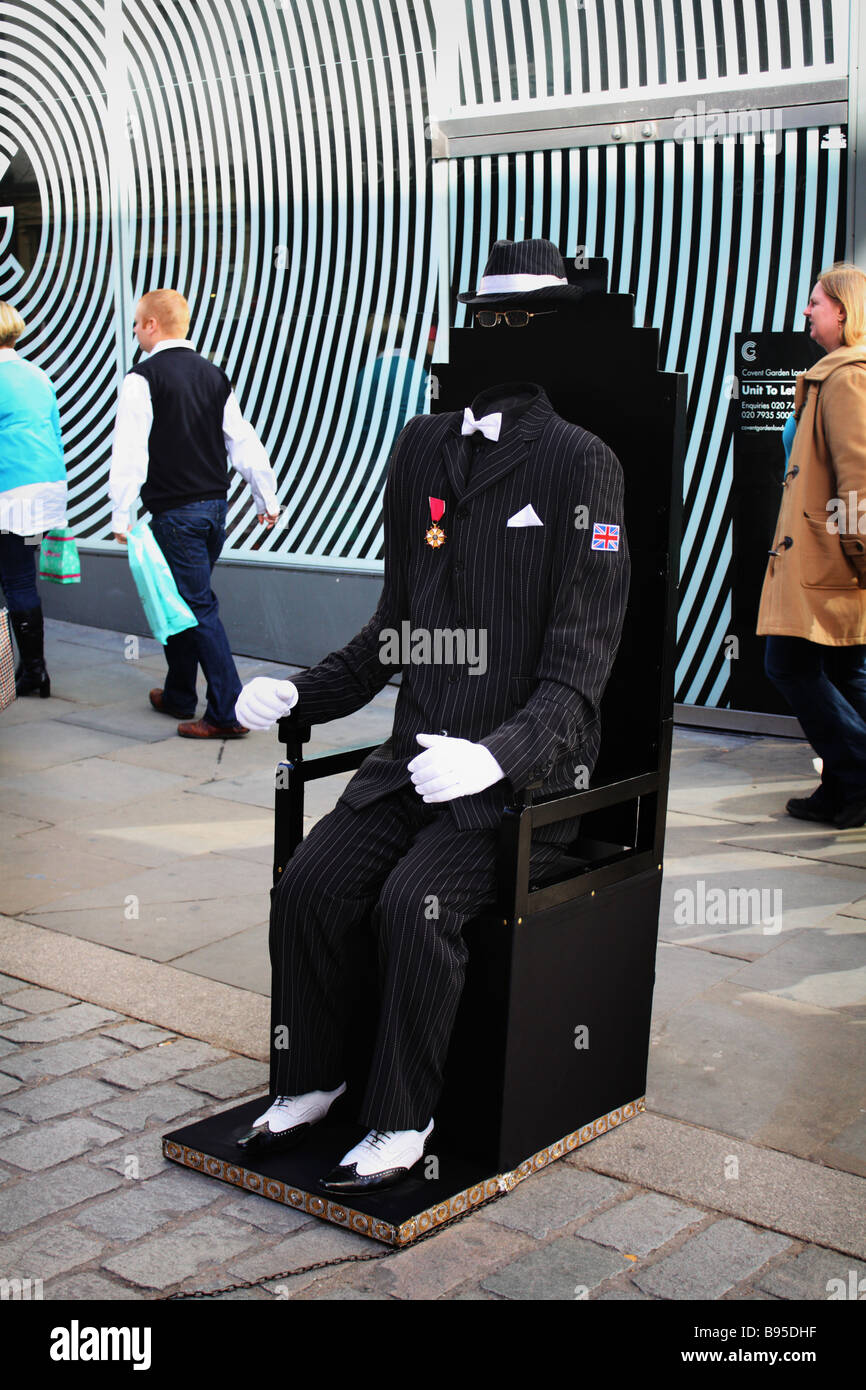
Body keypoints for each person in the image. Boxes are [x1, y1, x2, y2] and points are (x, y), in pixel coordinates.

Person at [232, 240, 630, 1192]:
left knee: (418, 907)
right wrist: (302, 690)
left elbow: (579, 675)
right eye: (486, 317)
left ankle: (404, 1121)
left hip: (518, 778)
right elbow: (396, 630)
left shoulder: (583, 465)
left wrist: (496, 758)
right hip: (412, 757)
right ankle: (313, 1078)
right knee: (312, 886)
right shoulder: (419, 448)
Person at [109, 289, 281, 738]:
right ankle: (180, 693)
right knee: (182, 599)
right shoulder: (214, 375)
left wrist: (120, 514)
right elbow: (242, 441)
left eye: (135, 323)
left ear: (151, 325)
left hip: (173, 515)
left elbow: (129, 450)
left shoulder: (141, 378)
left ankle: (227, 712)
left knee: (195, 605)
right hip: (212, 513)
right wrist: (266, 497)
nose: (133, 331)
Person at [757, 262, 866, 827]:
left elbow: (859, 478)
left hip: (832, 560)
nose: (806, 311)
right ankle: (848, 785)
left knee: (789, 664)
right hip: (825, 559)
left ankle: (855, 776)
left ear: (842, 311)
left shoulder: (847, 377)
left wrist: (860, 549)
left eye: (815, 302)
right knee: (846, 674)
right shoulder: (833, 373)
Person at [0, 300, 66, 697]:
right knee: (20, 573)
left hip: (9, 493)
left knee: (15, 577)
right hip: (41, 497)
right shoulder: (37, 375)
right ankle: (33, 671)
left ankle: (28, 672)